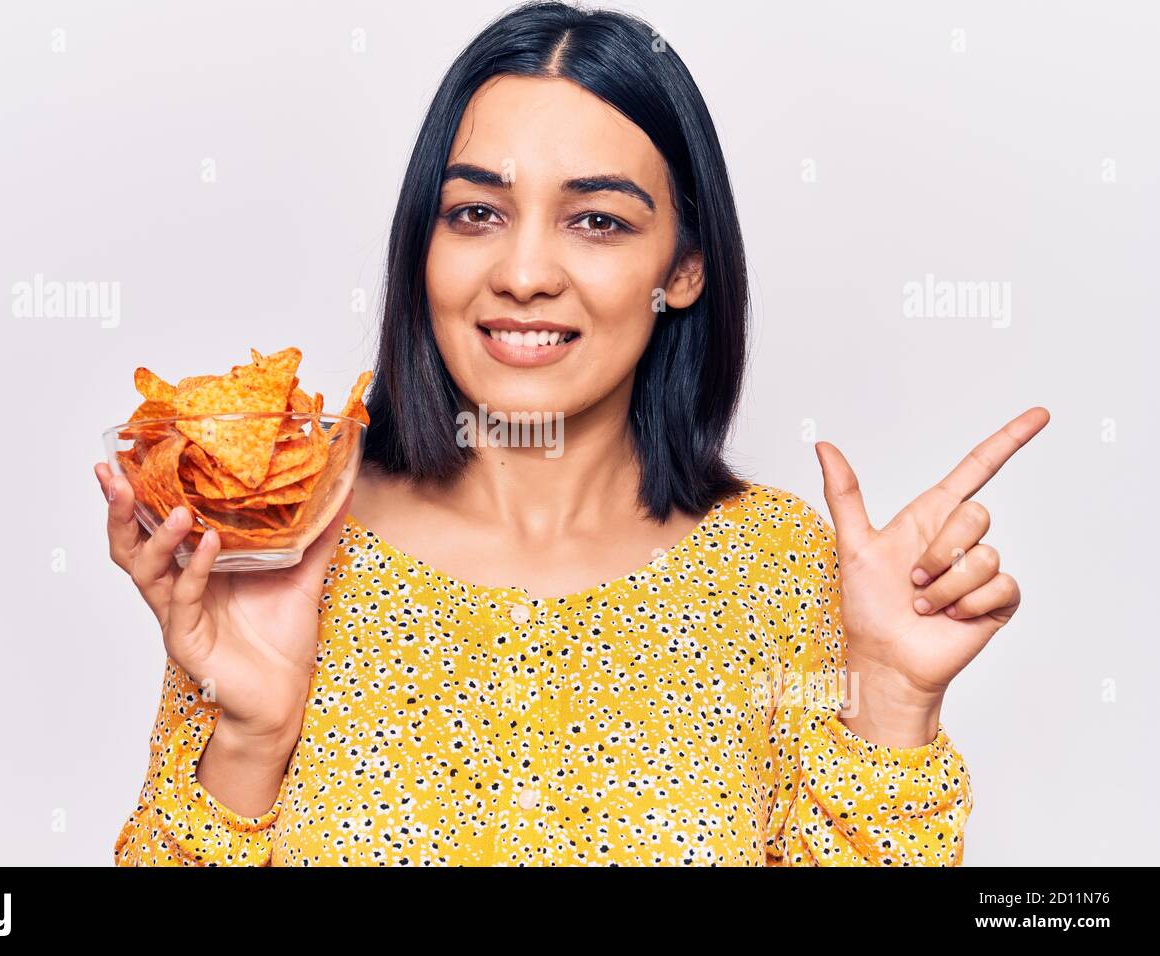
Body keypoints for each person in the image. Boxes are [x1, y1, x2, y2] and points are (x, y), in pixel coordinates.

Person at [95, 0, 1047, 865]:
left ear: (682, 270)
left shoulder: (785, 572)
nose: (523, 272)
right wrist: (252, 738)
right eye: (476, 212)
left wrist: (888, 699)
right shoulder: (293, 549)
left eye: (596, 219)